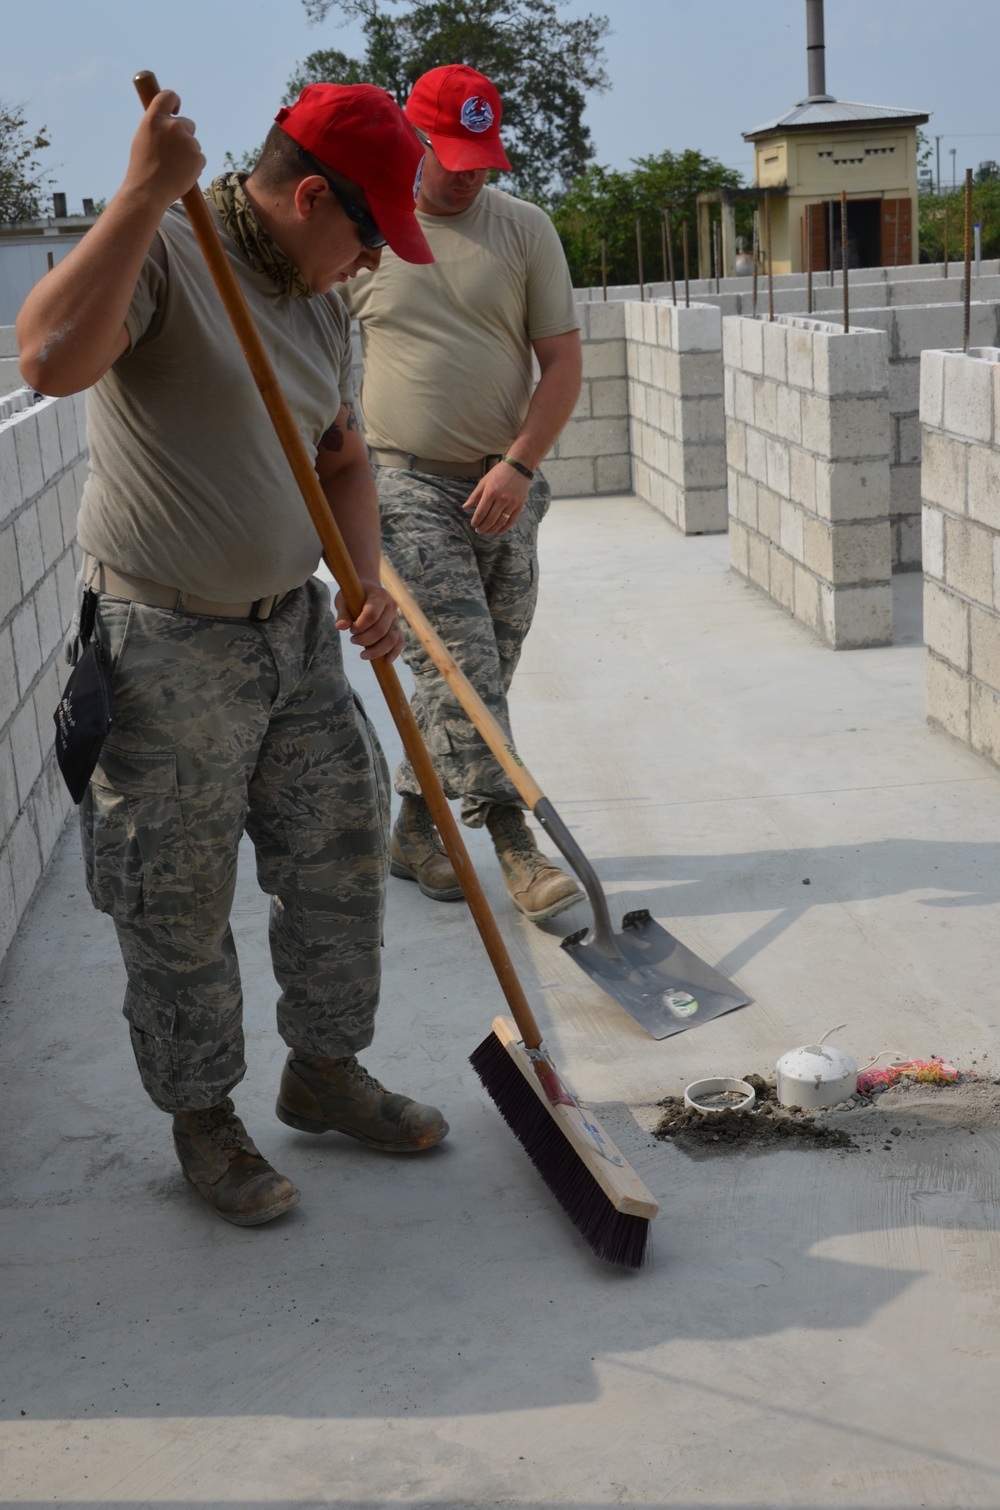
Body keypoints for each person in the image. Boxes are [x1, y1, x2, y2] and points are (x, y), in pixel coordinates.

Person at [16, 83, 449, 1229]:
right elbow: (49, 360)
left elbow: (344, 459)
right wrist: (141, 189)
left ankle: (325, 1068)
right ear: (311, 195)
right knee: (175, 895)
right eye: (364, 234)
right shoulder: (167, 251)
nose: (367, 264)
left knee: (339, 852)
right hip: (164, 644)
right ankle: (205, 1116)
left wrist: (361, 587)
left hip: (294, 632)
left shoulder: (320, 310)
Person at [343, 65, 586, 925]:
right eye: (452, 157)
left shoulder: (524, 231)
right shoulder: (363, 234)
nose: (469, 175)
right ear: (414, 139)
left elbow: (561, 362)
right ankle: (520, 848)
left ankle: (414, 828)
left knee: (476, 678)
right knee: (465, 670)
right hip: (402, 483)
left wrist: (518, 467)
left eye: (483, 160)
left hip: (507, 487)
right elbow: (308, 355)